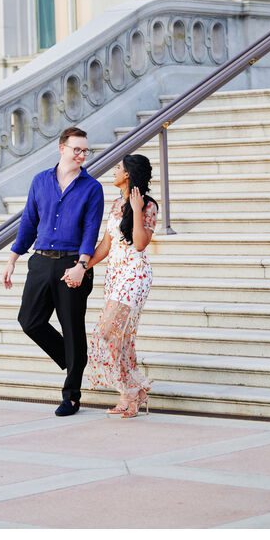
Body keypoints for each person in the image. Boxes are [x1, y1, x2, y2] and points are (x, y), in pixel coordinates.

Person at [2, 127, 104, 416]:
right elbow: (28, 222)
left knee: (72, 328)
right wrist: (12, 259)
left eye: (85, 150)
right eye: (77, 149)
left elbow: (91, 230)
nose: (82, 155)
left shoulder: (91, 188)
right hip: (41, 261)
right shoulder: (40, 181)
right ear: (62, 148)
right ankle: (74, 360)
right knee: (29, 320)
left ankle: (71, 396)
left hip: (72, 263)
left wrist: (82, 266)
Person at [78, 154, 158, 418]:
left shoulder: (147, 206)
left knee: (106, 332)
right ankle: (129, 394)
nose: (114, 171)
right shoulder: (115, 204)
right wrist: (83, 266)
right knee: (118, 338)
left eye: (118, 168)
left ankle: (133, 389)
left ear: (128, 175)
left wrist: (136, 210)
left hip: (134, 277)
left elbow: (140, 243)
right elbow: (105, 245)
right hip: (115, 276)